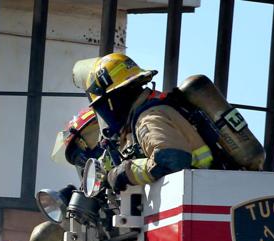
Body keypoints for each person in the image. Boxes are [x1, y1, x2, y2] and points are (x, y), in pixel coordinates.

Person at [81, 53, 215, 193]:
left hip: (203, 192)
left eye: (103, 106)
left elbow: (171, 160)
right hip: (203, 189)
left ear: (114, 99)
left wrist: (126, 172)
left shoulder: (148, 119)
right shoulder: (146, 116)